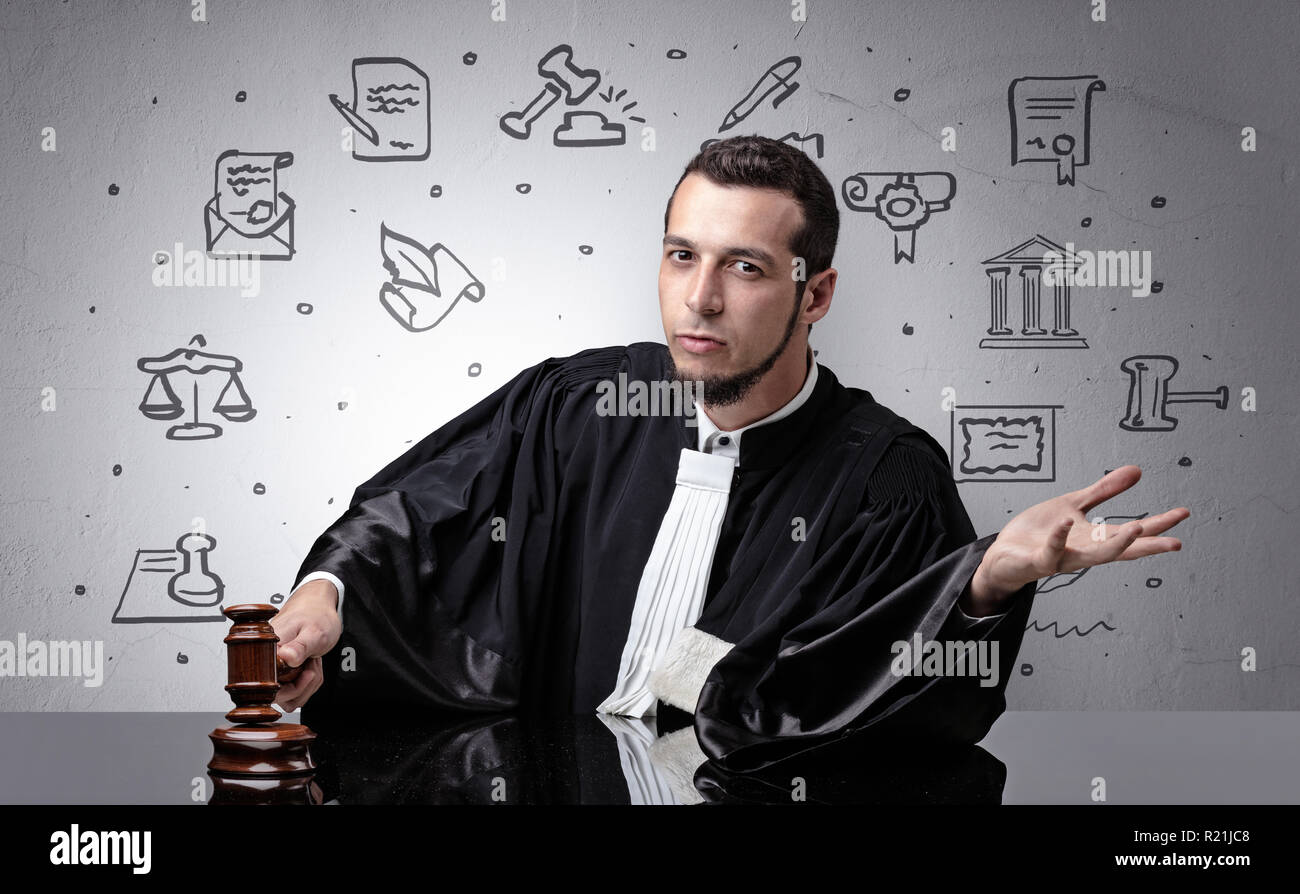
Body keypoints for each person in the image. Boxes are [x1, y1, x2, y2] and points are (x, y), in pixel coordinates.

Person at [271, 135, 1188, 773]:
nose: (698, 300)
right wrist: (326, 597)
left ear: (814, 292)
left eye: (744, 268)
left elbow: (895, 709)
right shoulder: (575, 403)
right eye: (680, 256)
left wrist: (986, 584)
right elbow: (416, 510)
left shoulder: (885, 478)